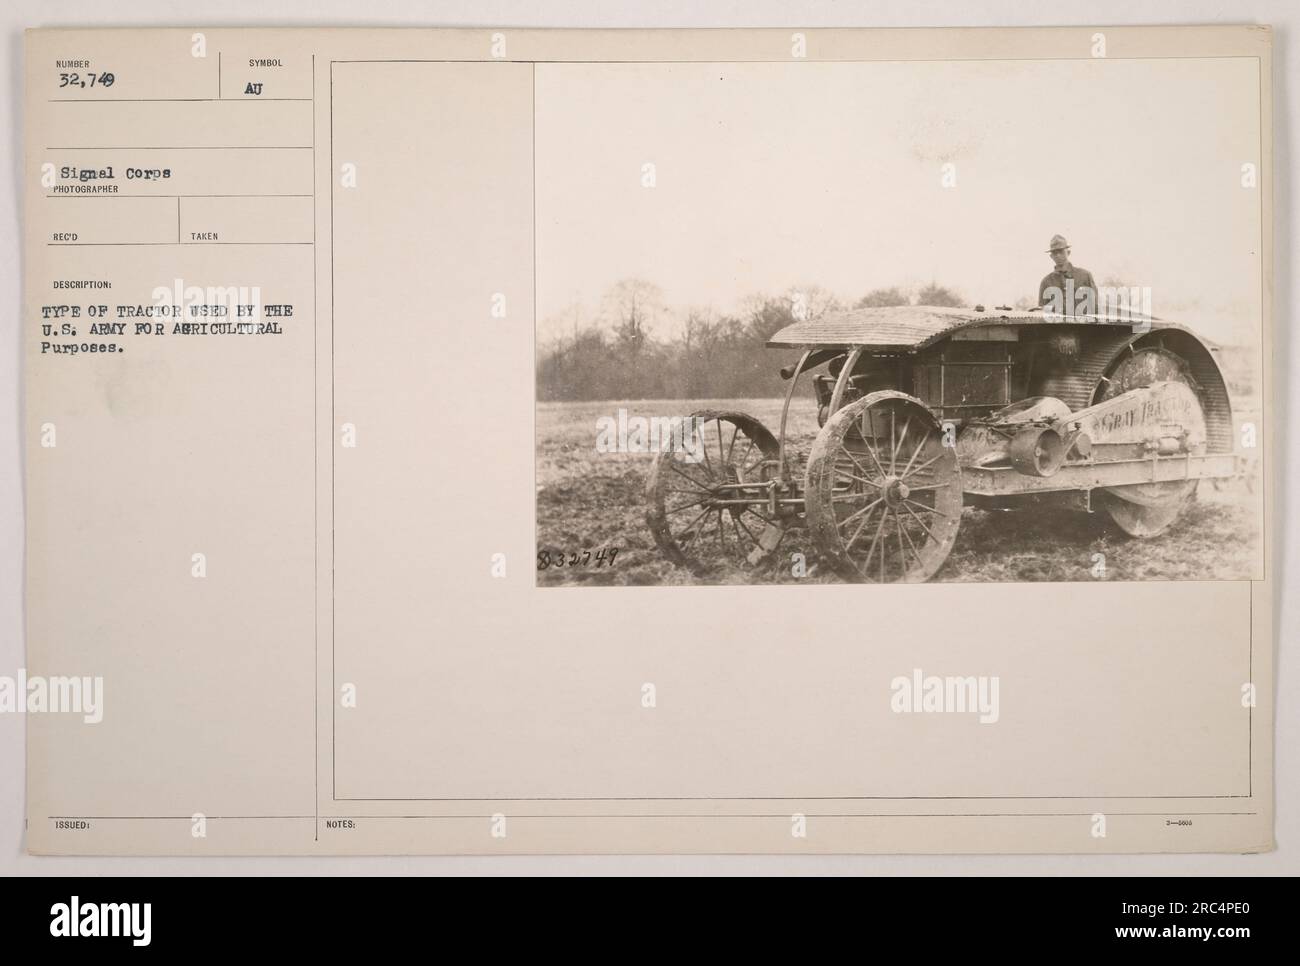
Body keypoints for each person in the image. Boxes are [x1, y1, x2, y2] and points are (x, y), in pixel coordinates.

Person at [1038, 234, 1098, 316]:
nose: (1058, 255)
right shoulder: (1046, 282)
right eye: (1055, 253)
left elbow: (1095, 308)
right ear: (1051, 256)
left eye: (1061, 251)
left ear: (1068, 252)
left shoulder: (1085, 276)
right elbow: (1043, 313)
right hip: (1057, 328)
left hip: (1083, 327)